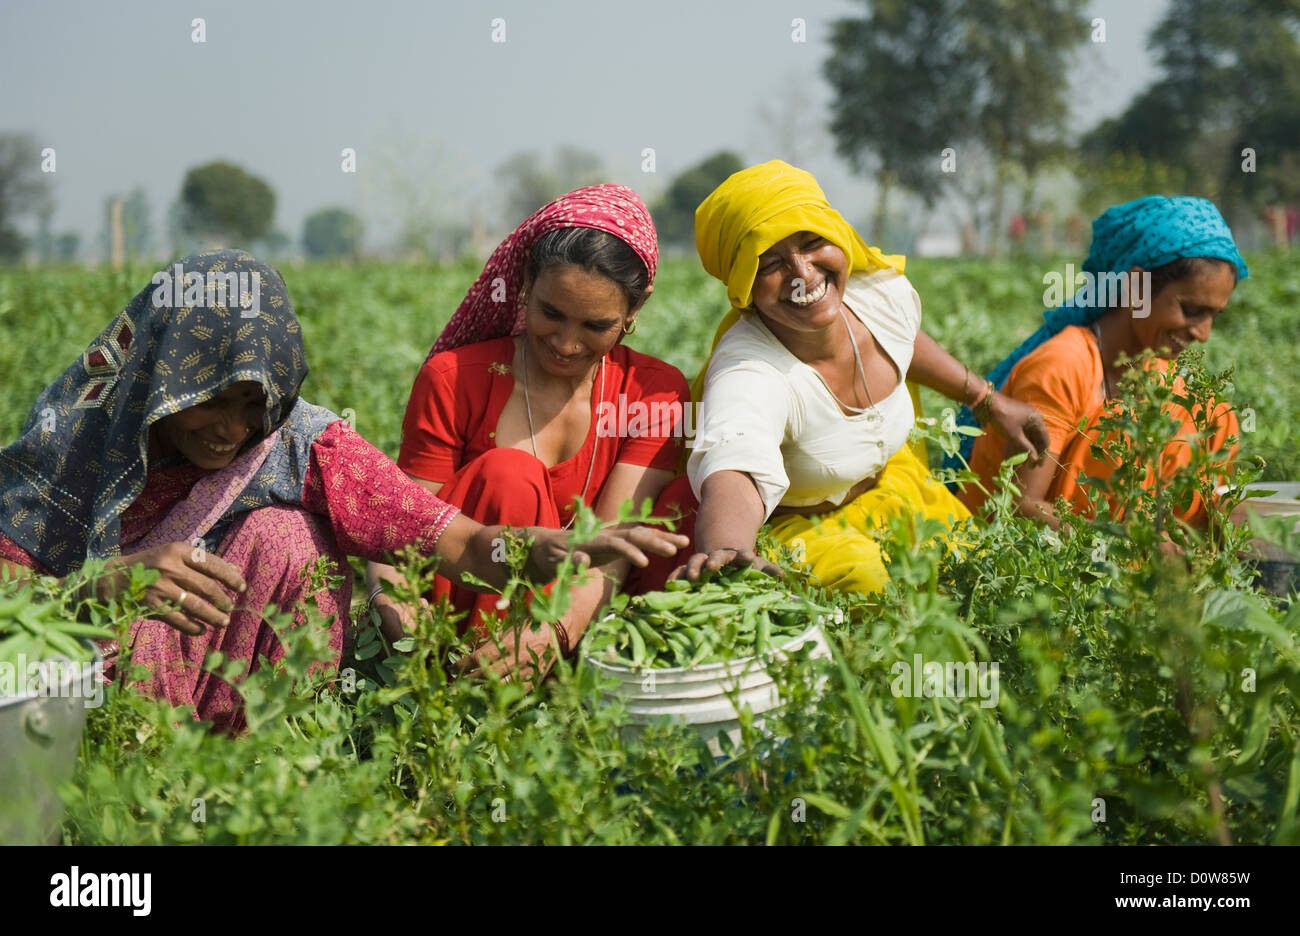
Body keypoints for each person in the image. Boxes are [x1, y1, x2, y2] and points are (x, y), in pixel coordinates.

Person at [0, 249, 684, 731]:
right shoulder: (75, 438)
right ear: (160, 378)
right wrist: (100, 585)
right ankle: (121, 750)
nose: (232, 431)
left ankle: (253, 748)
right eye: (211, 402)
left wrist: (542, 552)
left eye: (255, 404)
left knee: (290, 538)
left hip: (217, 687)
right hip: (67, 694)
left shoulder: (299, 440)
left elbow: (460, 541)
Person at [658, 161, 1048, 596]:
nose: (803, 273)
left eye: (812, 243)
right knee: (870, 582)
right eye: (769, 263)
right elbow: (735, 466)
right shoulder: (749, 371)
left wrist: (986, 400)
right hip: (806, 529)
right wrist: (727, 549)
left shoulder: (877, 292)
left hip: (894, 490)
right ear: (743, 287)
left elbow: (903, 342)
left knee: (982, 571)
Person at [368, 185, 689, 679]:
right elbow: (404, 532)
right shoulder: (456, 379)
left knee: (686, 507)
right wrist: (392, 605)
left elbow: (612, 552)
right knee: (508, 474)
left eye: (595, 325)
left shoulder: (653, 393)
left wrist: (553, 633)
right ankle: (473, 680)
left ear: (635, 309)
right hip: (455, 612)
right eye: (551, 314)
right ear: (526, 285)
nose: (564, 343)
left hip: (579, 613)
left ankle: (540, 678)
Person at [957, 196, 1248, 528]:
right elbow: (1021, 508)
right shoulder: (1063, 366)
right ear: (1136, 287)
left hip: (1113, 565)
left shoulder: (1163, 376)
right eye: (1191, 310)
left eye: (1214, 315)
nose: (1203, 333)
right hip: (1031, 566)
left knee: (1214, 418)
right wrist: (1129, 544)